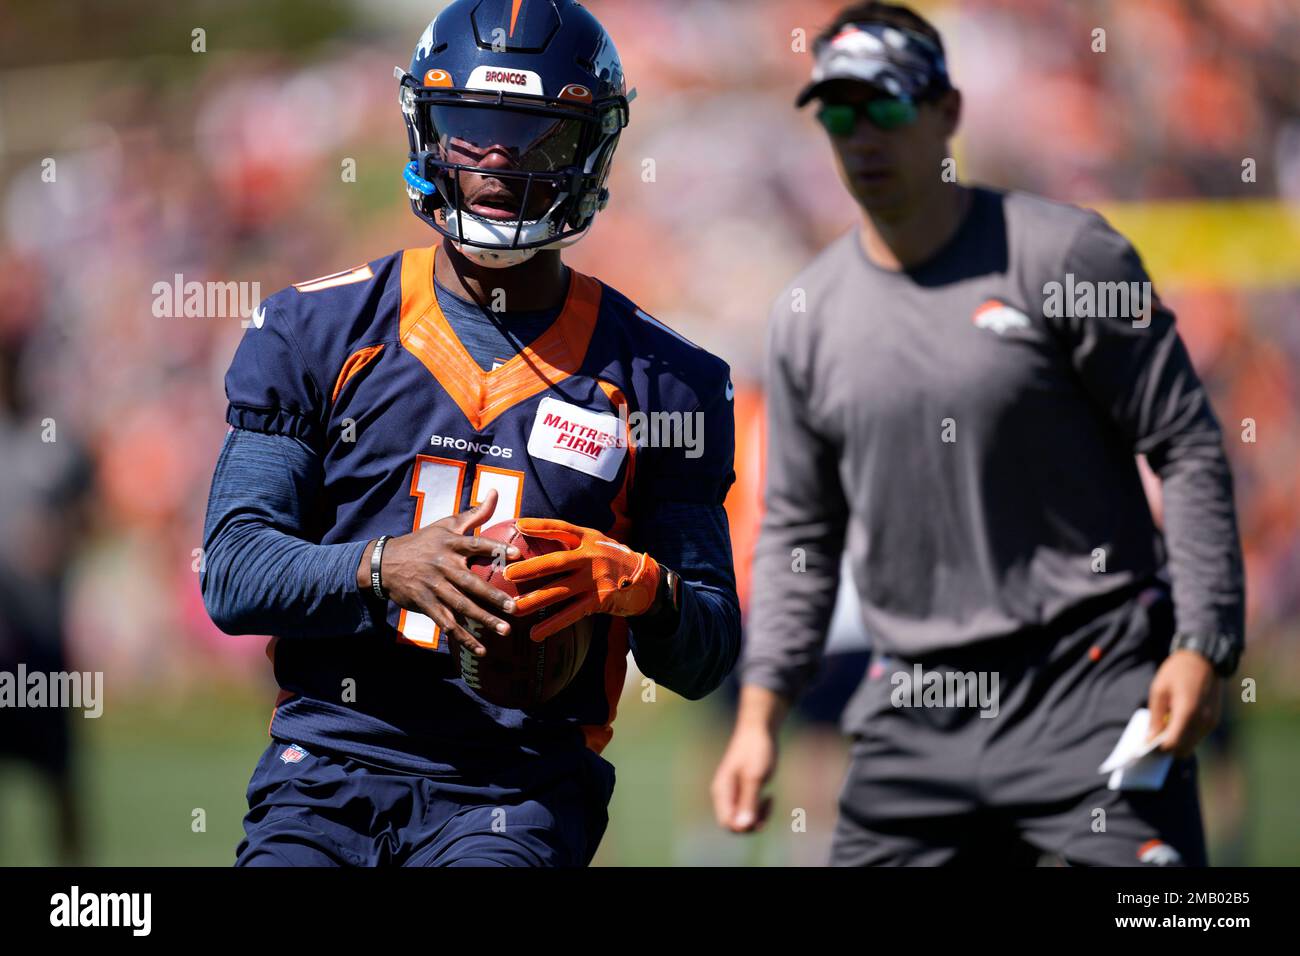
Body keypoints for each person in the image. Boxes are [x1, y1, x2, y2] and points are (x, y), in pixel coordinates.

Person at [201, 0, 739, 867]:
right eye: (471, 127)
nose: (496, 159)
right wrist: (382, 566)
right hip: (327, 766)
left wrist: (641, 586)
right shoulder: (314, 331)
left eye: (534, 134)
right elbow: (231, 572)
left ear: (588, 148)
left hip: (519, 790)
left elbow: (707, 651)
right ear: (425, 128)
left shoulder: (665, 379)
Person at [711, 1, 1244, 866]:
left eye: (885, 107)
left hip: (1093, 701)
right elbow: (801, 533)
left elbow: (1185, 445)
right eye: (839, 113)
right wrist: (761, 713)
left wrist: (1204, 641)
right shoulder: (808, 315)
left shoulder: (1069, 259)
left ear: (947, 111)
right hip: (914, 720)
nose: (862, 136)